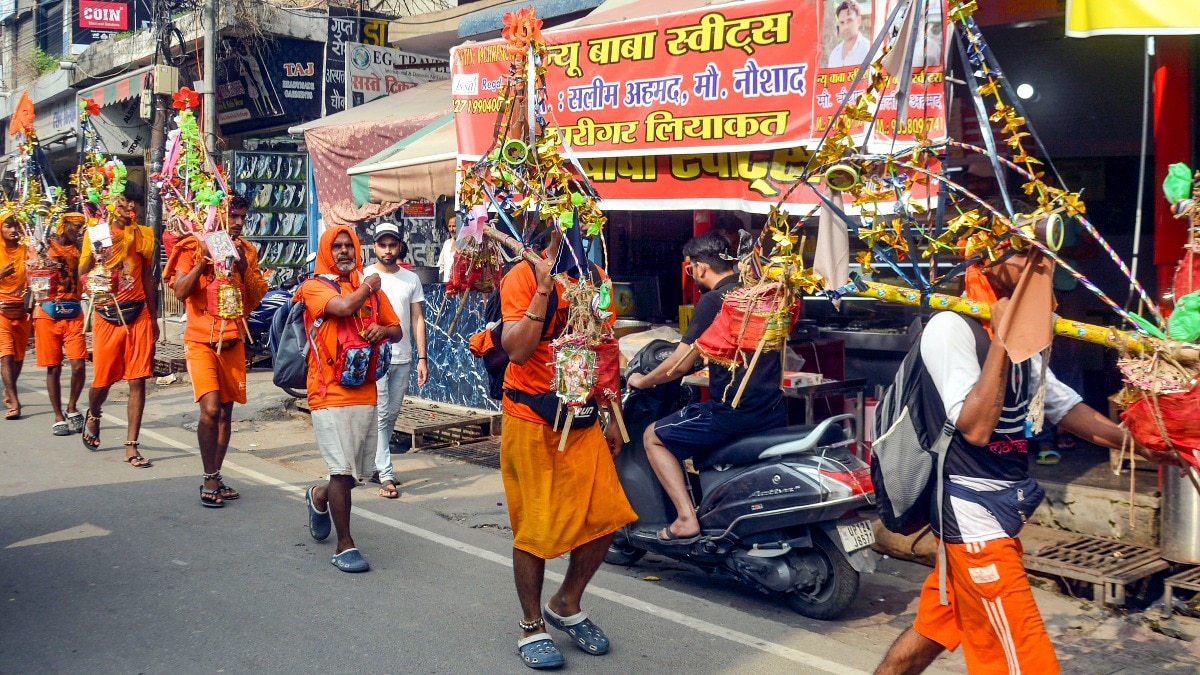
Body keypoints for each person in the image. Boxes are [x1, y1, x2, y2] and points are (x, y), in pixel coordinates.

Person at [874, 247, 1179, 675]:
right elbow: (976, 427)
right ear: (987, 258)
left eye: (1044, 261)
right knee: (1025, 660)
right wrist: (1001, 339)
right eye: (1025, 257)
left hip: (1004, 508)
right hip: (972, 515)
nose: (1040, 270)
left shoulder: (1022, 337)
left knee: (936, 626)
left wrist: (1140, 443)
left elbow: (1063, 407)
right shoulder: (950, 327)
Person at [499, 228, 635, 669]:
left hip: (581, 419)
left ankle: (567, 601)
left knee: (607, 515)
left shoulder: (596, 278)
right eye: (565, 219)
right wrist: (543, 286)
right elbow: (516, 351)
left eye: (582, 218)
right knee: (536, 529)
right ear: (547, 229)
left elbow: (606, 349)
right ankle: (531, 623)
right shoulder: (520, 276)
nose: (577, 229)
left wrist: (613, 416)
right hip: (531, 418)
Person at [628, 231, 787, 543]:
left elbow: (679, 363)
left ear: (700, 267)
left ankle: (686, 519)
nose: (692, 273)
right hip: (771, 408)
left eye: (690, 268)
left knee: (653, 437)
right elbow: (727, 350)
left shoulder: (716, 300)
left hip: (734, 413)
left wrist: (642, 380)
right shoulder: (754, 295)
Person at [300, 225, 402, 572]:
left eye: (349, 245)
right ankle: (345, 545)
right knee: (342, 472)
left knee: (351, 474)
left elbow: (397, 328)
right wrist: (367, 286)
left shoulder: (370, 290)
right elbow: (342, 307)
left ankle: (318, 496)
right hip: (327, 393)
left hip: (365, 389)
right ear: (328, 251)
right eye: (337, 246)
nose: (344, 251)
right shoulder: (314, 286)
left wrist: (382, 330)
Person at [164, 194, 267, 507]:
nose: (238, 222)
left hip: (233, 340)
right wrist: (204, 259)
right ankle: (209, 475)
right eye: (233, 216)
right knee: (209, 410)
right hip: (200, 341)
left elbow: (254, 299)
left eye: (242, 217)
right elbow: (181, 291)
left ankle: (216, 473)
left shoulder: (246, 250)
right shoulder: (191, 246)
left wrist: (245, 267)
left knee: (225, 413)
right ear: (217, 216)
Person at [79, 183, 158, 467]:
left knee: (138, 380)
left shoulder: (144, 235)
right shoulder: (98, 232)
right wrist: (96, 253)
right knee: (102, 381)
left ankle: (131, 445)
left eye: (135, 204)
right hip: (106, 315)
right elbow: (82, 273)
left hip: (138, 314)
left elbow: (148, 277)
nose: (130, 209)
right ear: (114, 202)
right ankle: (95, 412)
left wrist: (154, 315)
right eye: (125, 202)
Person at [364, 222, 428, 499]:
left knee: (390, 414)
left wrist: (422, 358)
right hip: (375, 355)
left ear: (400, 245)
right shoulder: (364, 277)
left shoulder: (411, 279)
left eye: (392, 245)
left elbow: (417, 319)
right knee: (380, 415)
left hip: (402, 356)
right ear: (374, 247)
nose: (388, 250)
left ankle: (376, 464)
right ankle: (386, 473)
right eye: (382, 245)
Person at [34, 211, 88, 435]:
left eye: (81, 226)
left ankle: (72, 407)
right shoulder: (46, 246)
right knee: (53, 367)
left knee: (78, 365)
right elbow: (35, 279)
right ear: (63, 225)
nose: (79, 230)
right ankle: (58, 416)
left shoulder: (83, 249)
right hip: (48, 313)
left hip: (73, 312)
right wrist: (43, 266)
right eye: (75, 226)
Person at [0, 210, 30, 421]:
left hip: (22, 310)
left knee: (18, 358)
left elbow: (37, 274)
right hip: (0, 310)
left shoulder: (26, 251)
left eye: (15, 226)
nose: (13, 230)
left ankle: (9, 392)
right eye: (7, 226)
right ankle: (15, 401)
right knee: (6, 355)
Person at [827, 0, 870, 68]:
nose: (845, 27)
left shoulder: (868, 50)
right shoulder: (834, 55)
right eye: (842, 22)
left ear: (858, 21)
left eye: (849, 21)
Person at [438, 211, 457, 282]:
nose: (452, 229)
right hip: (446, 284)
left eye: (454, 226)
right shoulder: (447, 243)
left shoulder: (466, 243)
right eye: (449, 226)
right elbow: (441, 265)